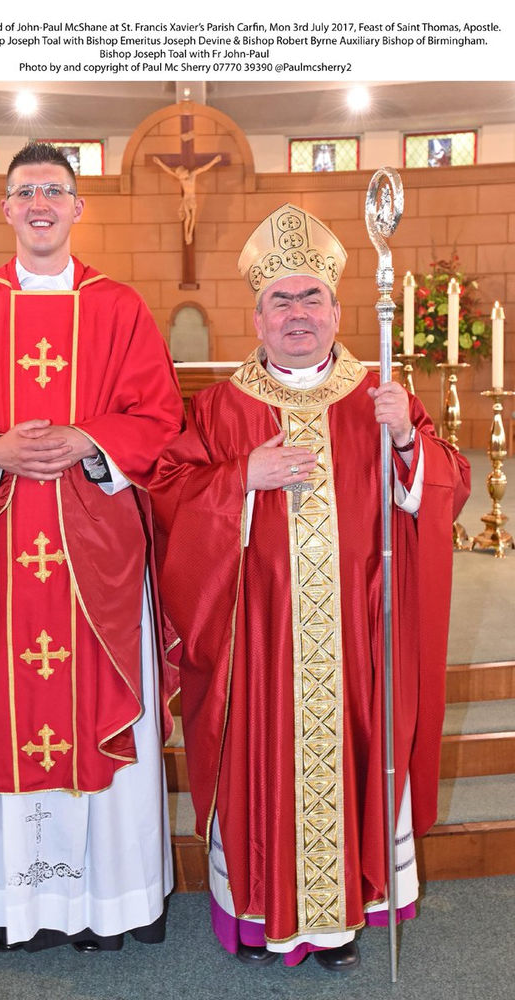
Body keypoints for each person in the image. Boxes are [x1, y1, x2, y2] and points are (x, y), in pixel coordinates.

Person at [150, 203, 470, 972]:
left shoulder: (381, 396)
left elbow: (447, 487)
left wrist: (407, 440)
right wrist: (239, 478)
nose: (297, 314)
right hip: (256, 645)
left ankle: (342, 922)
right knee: (261, 770)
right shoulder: (220, 408)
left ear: (336, 310)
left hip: (359, 638)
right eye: (281, 300)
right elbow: (167, 496)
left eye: (311, 298)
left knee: (355, 762)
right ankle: (258, 916)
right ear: (257, 318)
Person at [0, 142, 184, 957]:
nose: (40, 204)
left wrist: (90, 441)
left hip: (96, 560)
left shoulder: (120, 309)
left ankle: (110, 902)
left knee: (97, 704)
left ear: (78, 207)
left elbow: (160, 419)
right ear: (6, 209)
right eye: (25, 192)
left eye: (54, 190)